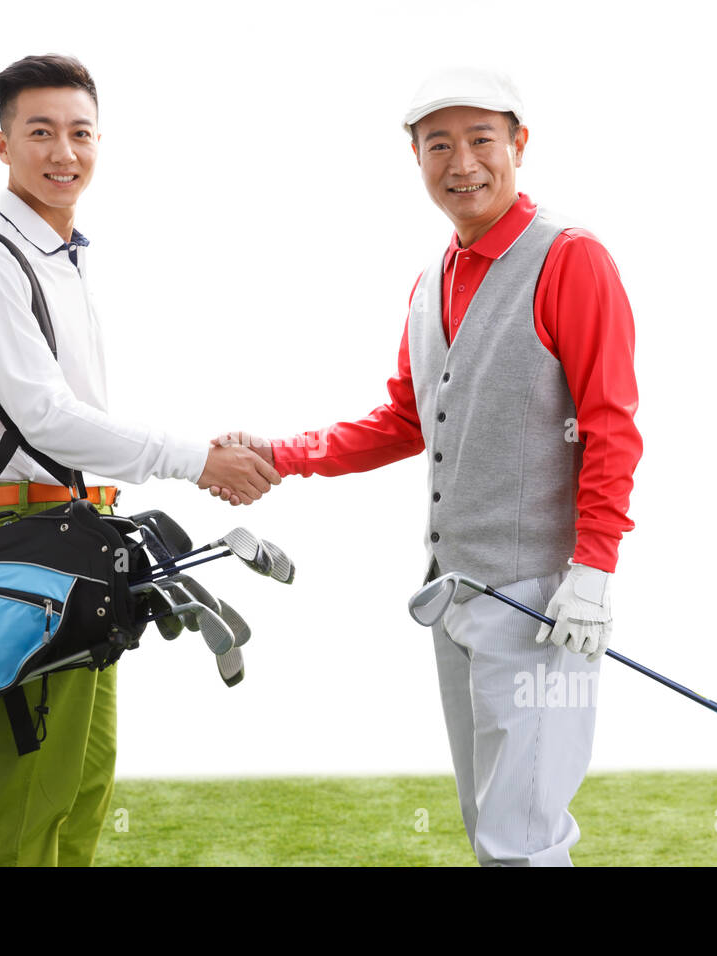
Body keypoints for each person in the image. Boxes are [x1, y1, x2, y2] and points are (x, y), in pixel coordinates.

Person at [211, 66, 642, 866]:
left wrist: (593, 572)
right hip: (453, 595)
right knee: (491, 833)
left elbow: (611, 426)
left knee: (526, 840)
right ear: (414, 157)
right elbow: (405, 420)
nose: (462, 162)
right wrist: (281, 453)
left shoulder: (573, 260)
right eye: (438, 144)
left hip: (543, 598)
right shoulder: (429, 281)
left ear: (519, 143)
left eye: (482, 139)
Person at [0, 53, 280, 867]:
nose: (64, 152)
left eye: (81, 133)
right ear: (1, 142)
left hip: (79, 531)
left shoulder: (62, 256)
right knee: (33, 783)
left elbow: (76, 419)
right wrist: (196, 458)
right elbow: (46, 419)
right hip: (31, 539)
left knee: (84, 776)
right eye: (41, 132)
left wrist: (194, 456)